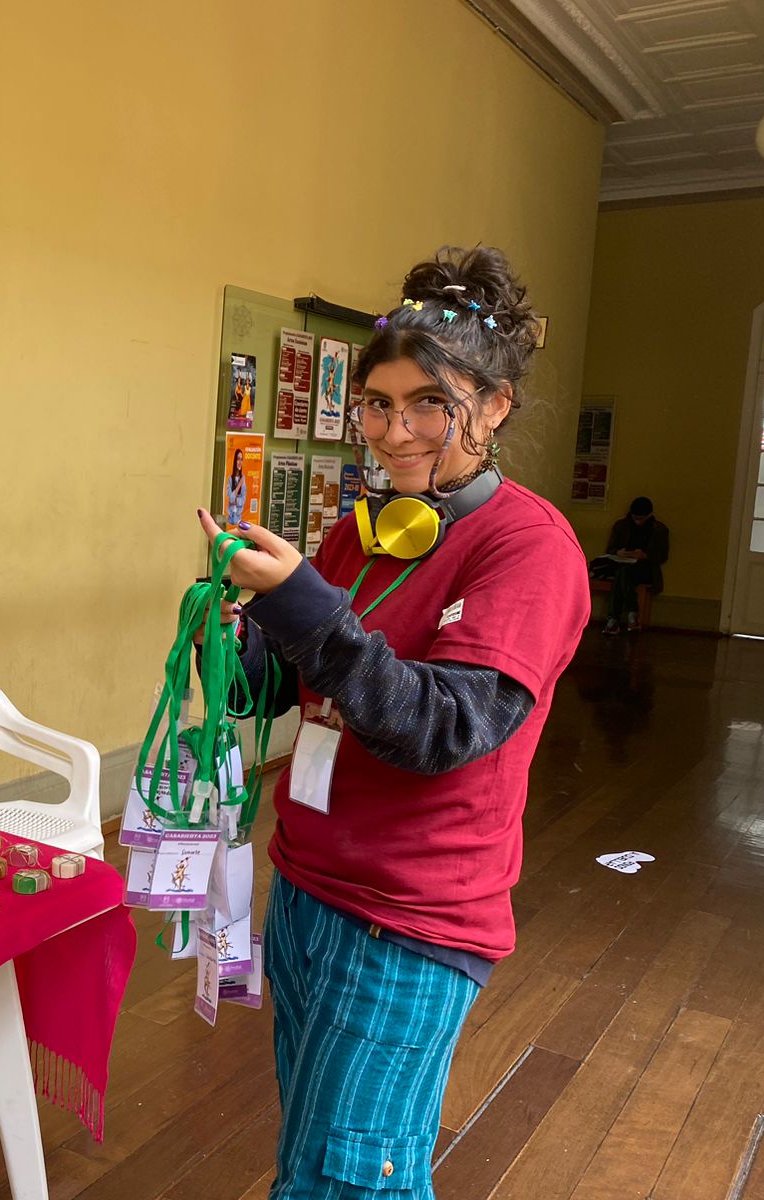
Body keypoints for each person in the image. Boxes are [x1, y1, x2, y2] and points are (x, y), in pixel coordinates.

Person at [196, 246, 588, 1198]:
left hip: (408, 921)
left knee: (350, 1183)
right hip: (306, 891)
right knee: (314, 1159)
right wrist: (233, 639)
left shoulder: (529, 549)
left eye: (429, 405)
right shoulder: (358, 532)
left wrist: (305, 608)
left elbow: (441, 730)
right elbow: (289, 690)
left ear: (495, 407)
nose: (395, 433)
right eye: (377, 404)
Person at [596, 496, 669, 634]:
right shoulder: (621, 525)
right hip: (621, 564)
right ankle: (632, 614)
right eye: (635, 518)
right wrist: (619, 552)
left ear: (649, 515)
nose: (637, 521)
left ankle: (613, 619)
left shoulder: (659, 530)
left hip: (645, 568)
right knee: (623, 573)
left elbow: (662, 556)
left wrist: (644, 555)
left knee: (623, 575)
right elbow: (610, 548)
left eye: (641, 519)